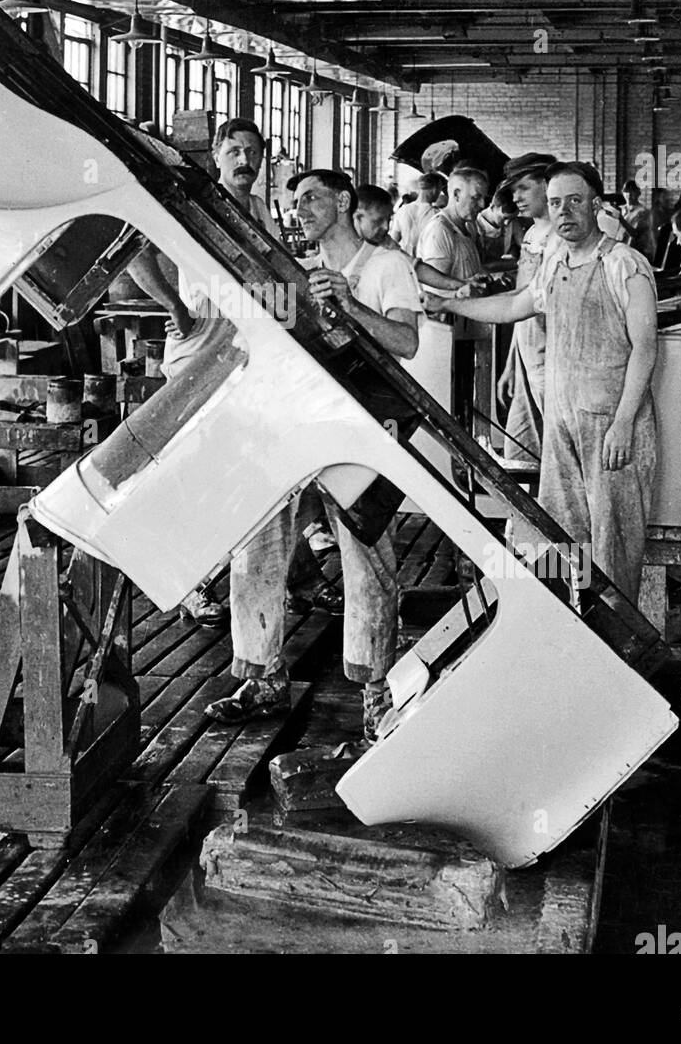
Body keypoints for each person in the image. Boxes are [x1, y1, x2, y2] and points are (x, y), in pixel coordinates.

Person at [205, 169, 421, 742]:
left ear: (344, 202)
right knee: (257, 543)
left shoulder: (385, 266)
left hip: (362, 429)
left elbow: (407, 342)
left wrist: (349, 307)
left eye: (310, 199)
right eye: (293, 202)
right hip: (300, 424)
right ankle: (262, 675)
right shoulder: (298, 276)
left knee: (366, 555)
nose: (298, 210)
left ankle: (376, 689)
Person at [428, 161, 658, 603]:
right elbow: (516, 305)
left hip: (611, 428)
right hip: (562, 423)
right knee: (566, 534)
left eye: (575, 201)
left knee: (615, 544)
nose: (564, 212)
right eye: (555, 203)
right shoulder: (554, 263)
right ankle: (578, 626)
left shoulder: (625, 264)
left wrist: (624, 423)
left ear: (596, 204)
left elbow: (646, 348)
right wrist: (448, 303)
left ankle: (617, 646)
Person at [127, 117, 282, 627]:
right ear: (216, 155)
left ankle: (267, 577)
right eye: (235, 149)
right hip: (202, 340)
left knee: (243, 465)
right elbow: (136, 252)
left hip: (250, 340)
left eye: (254, 151)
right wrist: (173, 307)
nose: (245, 160)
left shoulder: (261, 209)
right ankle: (188, 583)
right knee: (194, 465)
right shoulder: (193, 205)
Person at [493, 153, 557, 463]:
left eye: (523, 188)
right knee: (520, 451)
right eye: (513, 190)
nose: (515, 197)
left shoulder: (562, 236)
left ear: (548, 186)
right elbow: (521, 306)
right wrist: (511, 365)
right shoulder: (531, 234)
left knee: (558, 452)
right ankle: (521, 513)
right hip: (528, 360)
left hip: (553, 364)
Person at [417, 167, 491, 431]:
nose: (482, 205)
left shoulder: (467, 229)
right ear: (456, 193)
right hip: (448, 337)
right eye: (476, 198)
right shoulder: (440, 231)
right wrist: (460, 291)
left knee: (467, 406)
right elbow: (430, 292)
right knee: (453, 410)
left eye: (484, 198)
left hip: (467, 332)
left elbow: (465, 274)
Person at [390, 172, 445, 256]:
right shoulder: (437, 214)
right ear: (434, 190)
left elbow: (393, 241)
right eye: (439, 190)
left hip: (406, 262)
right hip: (426, 263)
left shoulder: (403, 210)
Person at [621, 180, 653, 259]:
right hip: (623, 251)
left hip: (638, 253)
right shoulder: (621, 209)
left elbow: (635, 234)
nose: (629, 195)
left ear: (638, 193)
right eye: (626, 191)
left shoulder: (642, 212)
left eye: (633, 191)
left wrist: (620, 219)